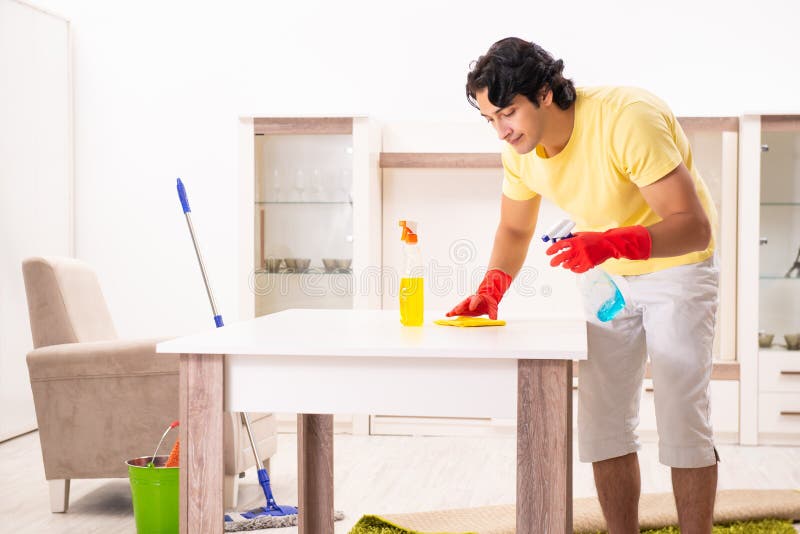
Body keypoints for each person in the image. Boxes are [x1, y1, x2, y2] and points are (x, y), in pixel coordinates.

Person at [448, 37, 719, 533]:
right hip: (607, 273)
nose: (502, 131)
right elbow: (514, 229)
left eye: (508, 112)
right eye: (490, 119)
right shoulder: (521, 152)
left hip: (675, 268)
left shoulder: (626, 118)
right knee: (604, 422)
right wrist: (491, 288)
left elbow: (692, 226)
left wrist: (610, 243)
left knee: (682, 416)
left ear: (545, 93)